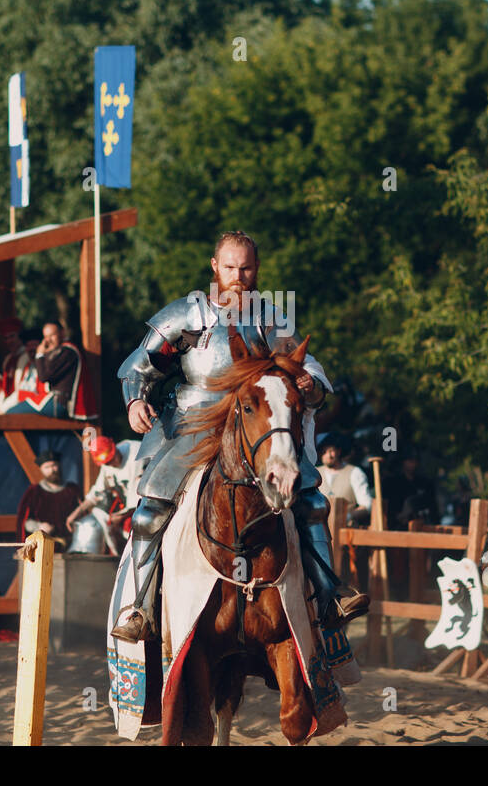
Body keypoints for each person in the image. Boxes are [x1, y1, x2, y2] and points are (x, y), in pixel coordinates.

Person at [110, 229, 369, 642]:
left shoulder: (269, 318)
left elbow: (303, 367)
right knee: (150, 509)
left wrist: (310, 385)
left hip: (255, 424)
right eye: (230, 266)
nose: (238, 275)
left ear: (257, 269)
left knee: (310, 499)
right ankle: (139, 608)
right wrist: (135, 401)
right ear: (215, 267)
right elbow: (140, 365)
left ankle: (329, 594)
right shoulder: (187, 316)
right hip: (194, 422)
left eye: (246, 267)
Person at [65, 435, 144, 538]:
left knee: (133, 527)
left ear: (114, 448)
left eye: (112, 459)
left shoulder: (135, 454)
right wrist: (75, 514)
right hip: (128, 508)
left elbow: (136, 499)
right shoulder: (107, 465)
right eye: (107, 463)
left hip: (147, 503)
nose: (112, 464)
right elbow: (97, 493)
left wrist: (120, 517)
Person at [16, 451, 81, 543]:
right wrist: (38, 527)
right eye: (47, 467)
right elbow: (23, 521)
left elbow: (83, 514)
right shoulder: (34, 491)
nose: (52, 470)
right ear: (41, 469)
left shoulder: (72, 490)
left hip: (70, 544)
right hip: (42, 544)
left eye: (54, 465)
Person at [317, 432, 373, 526]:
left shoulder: (355, 472)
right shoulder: (315, 473)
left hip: (346, 531)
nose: (328, 455)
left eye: (331, 451)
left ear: (339, 451)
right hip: (319, 531)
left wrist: (348, 516)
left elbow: (367, 505)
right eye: (324, 452)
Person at [384, 447, 439, 529]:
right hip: (398, 527)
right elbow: (389, 508)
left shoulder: (425, 483)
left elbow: (432, 508)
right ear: (403, 462)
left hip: (422, 526)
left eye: (415, 461)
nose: (413, 464)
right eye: (410, 461)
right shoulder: (393, 483)